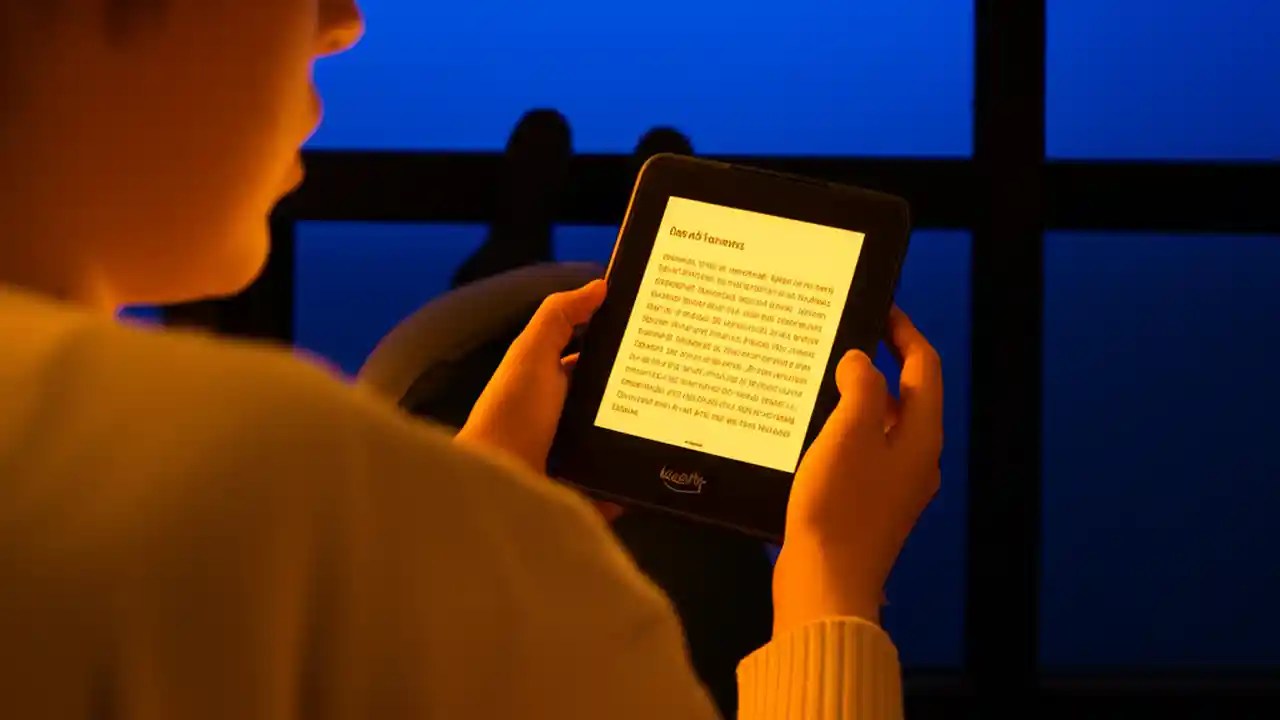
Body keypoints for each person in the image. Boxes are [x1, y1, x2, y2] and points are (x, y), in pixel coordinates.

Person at [0, 2, 945, 719]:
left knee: (486, 312)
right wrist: (832, 588)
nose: (342, 23)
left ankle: (514, 229)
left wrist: (471, 504)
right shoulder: (279, 472)